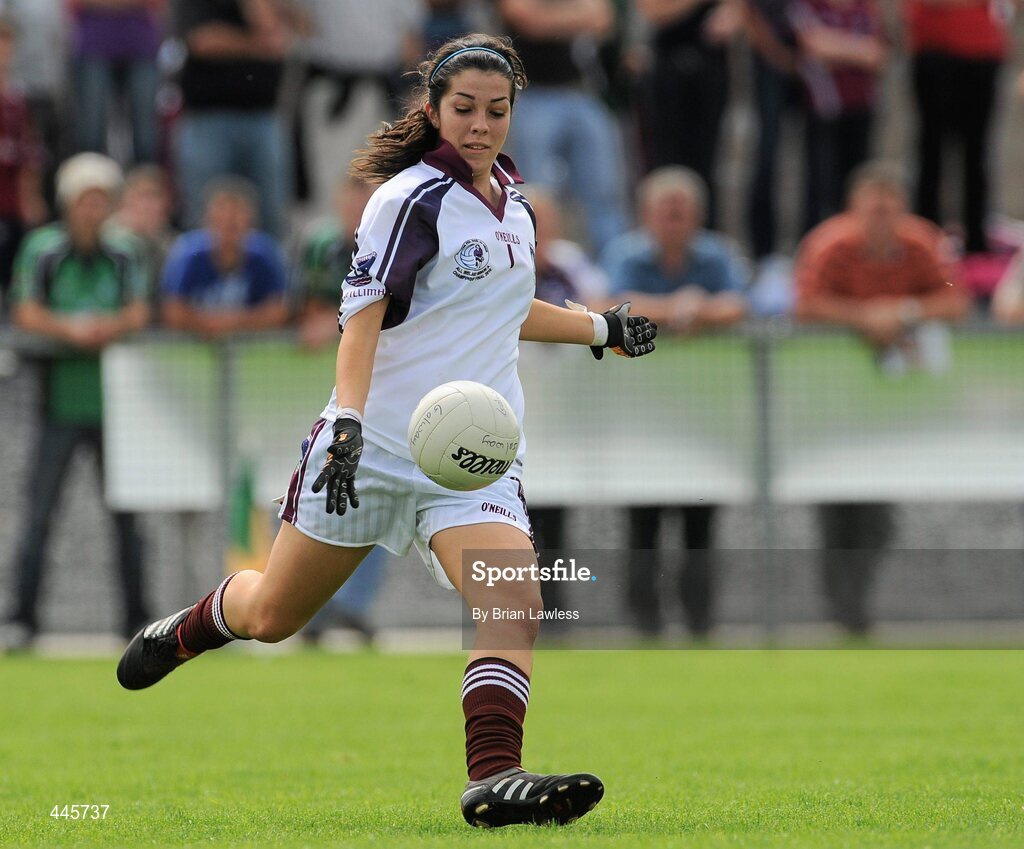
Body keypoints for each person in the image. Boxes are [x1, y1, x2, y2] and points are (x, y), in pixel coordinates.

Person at [117, 33, 657, 828]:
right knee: (272, 617)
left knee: (515, 598)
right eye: (464, 108)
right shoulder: (406, 199)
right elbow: (360, 319)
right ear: (434, 110)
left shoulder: (515, 201)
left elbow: (506, 310)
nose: (480, 124)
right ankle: (188, 628)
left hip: (468, 459)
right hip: (370, 448)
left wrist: (599, 329)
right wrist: (346, 423)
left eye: (496, 110)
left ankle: (494, 777)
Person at [794, 161, 970, 633]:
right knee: (836, 511)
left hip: (887, 408)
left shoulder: (923, 243)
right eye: (873, 209)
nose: (881, 218)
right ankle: (842, 605)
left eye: (890, 209)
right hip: (830, 404)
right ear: (854, 208)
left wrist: (903, 312)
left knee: (879, 518)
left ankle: (855, 599)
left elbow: (956, 299)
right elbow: (806, 305)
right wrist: (864, 318)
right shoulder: (829, 246)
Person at [2, 153, 150, 650]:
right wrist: (70, 329)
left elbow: (138, 310)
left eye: (100, 201)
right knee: (39, 512)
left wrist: (108, 327)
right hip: (58, 403)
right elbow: (25, 310)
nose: (92, 210)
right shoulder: (43, 249)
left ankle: (137, 617)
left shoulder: (125, 250)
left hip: (117, 409)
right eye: (85, 200)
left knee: (127, 518)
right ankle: (22, 617)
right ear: (68, 203)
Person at [601, 165, 746, 637]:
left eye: (681, 213)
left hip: (703, 418)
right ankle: (644, 622)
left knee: (700, 526)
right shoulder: (626, 254)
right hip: (641, 417)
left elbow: (740, 304)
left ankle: (700, 620)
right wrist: (683, 309)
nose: (673, 221)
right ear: (647, 215)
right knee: (642, 526)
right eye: (666, 212)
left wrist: (692, 310)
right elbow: (609, 303)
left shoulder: (718, 255)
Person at [497, 0, 628, 251]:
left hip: (581, 93)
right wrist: (576, 17)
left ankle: (611, 267)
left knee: (604, 191)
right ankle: (535, 262)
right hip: (533, 95)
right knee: (537, 193)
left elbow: (602, 18)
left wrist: (551, 17)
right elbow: (528, 20)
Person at [173, 0, 297, 237]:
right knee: (203, 217)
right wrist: (257, 45)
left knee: (271, 217)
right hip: (208, 118)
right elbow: (203, 40)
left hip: (263, 116)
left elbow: (275, 35)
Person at [905, 0, 1010, 256]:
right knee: (931, 152)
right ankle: (925, 238)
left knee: (977, 153)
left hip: (983, 53)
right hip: (937, 51)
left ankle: (976, 240)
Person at [636, 0, 741, 227]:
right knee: (666, 167)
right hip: (668, 68)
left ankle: (704, 233)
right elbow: (654, 11)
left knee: (708, 167)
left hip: (711, 67)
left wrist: (733, 12)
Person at [787, 0, 886, 233]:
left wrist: (836, 46)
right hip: (824, 109)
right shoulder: (810, 6)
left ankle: (854, 238)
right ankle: (816, 241)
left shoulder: (864, 8)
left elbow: (877, 54)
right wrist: (857, 49)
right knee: (820, 185)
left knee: (857, 183)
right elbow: (814, 44)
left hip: (861, 107)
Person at [161, 176, 288, 336]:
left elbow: (279, 310)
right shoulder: (188, 254)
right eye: (221, 219)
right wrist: (217, 324)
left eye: (235, 221)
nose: (228, 223)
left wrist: (230, 323)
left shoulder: (265, 254)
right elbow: (172, 311)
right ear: (207, 220)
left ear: (251, 222)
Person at [70, 0, 165, 164]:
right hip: (94, 48)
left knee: (145, 136)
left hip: (141, 47)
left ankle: (144, 178)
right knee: (91, 132)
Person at [0, 14, 44, 315]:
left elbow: (28, 154)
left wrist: (30, 198)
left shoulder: (16, 100)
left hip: (10, 205)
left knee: (13, 272)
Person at [111, 164, 178, 319]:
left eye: (154, 196)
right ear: (123, 201)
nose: (147, 205)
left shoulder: (174, 246)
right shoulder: (105, 239)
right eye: (140, 196)